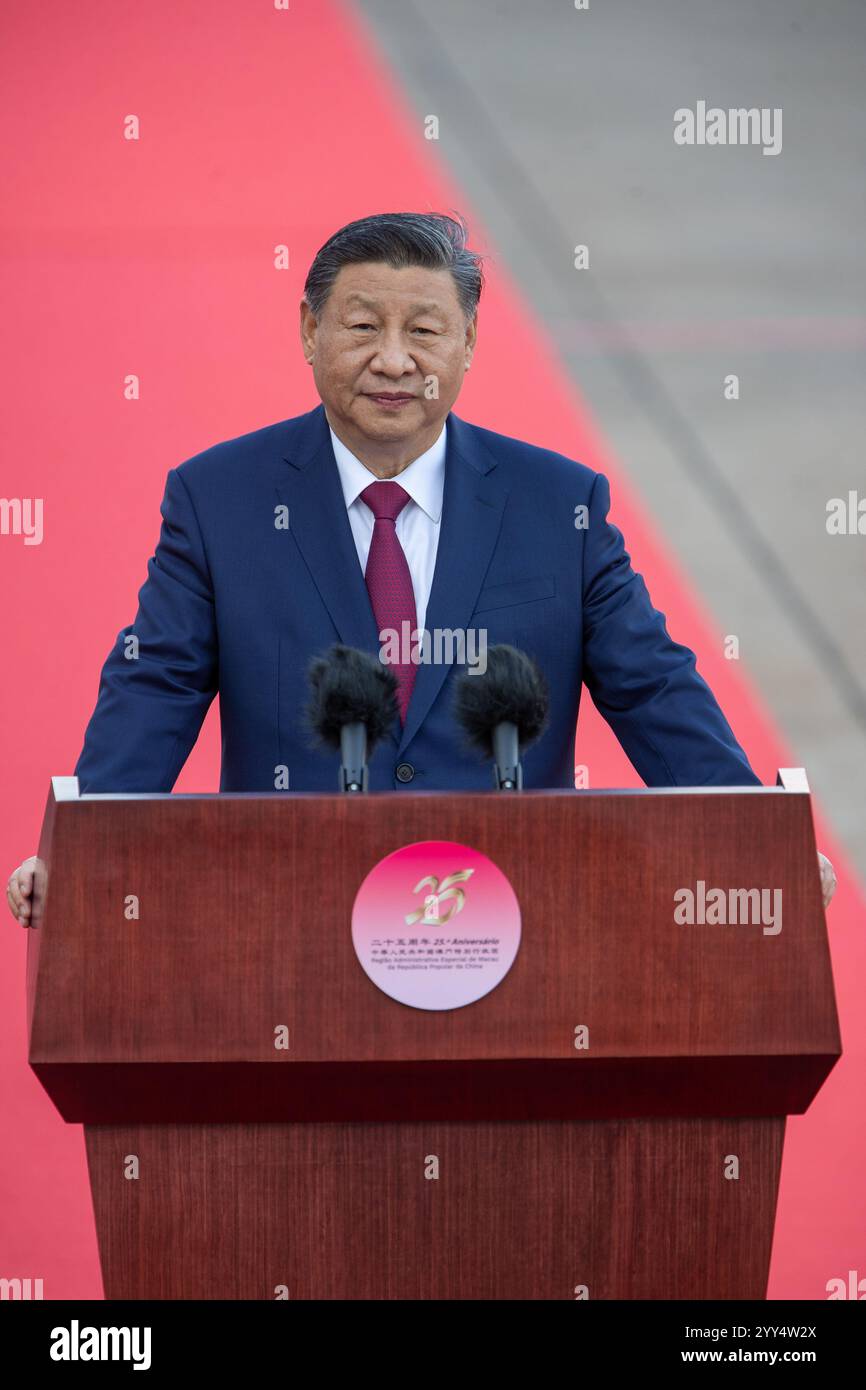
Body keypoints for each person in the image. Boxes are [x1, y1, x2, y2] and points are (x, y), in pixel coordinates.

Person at [6, 211, 837, 923]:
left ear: (469, 342)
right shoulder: (220, 499)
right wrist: (82, 848)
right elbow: (158, 684)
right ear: (309, 331)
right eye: (363, 328)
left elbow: (651, 685)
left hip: (512, 915)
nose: (395, 361)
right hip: (288, 922)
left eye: (426, 332)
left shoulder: (559, 503)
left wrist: (755, 839)